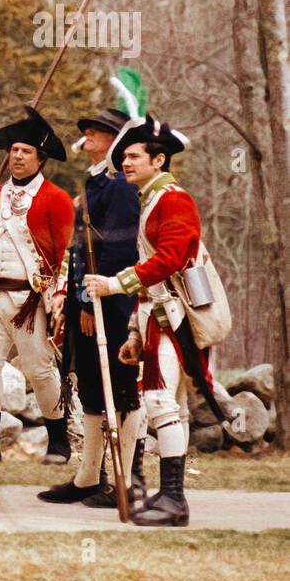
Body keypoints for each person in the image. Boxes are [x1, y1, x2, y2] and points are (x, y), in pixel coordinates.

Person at [86, 115, 218, 527]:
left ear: (158, 160)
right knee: (163, 405)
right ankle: (170, 495)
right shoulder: (151, 198)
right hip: (154, 315)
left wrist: (113, 284)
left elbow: (170, 261)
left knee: (162, 404)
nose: (124, 163)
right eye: (123, 157)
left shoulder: (173, 199)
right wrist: (132, 331)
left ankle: (175, 499)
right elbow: (153, 270)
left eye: (134, 156)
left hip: (174, 316)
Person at [40, 109, 147, 506]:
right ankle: (89, 476)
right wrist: (72, 300)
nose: (86, 138)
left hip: (111, 302)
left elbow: (117, 249)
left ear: (114, 141)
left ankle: (128, 479)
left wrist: (90, 300)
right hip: (86, 296)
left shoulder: (119, 186)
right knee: (90, 387)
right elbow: (81, 249)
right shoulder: (97, 181)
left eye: (96, 133)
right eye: (85, 131)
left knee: (119, 388)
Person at [0, 107, 75, 463]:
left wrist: (60, 296)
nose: (18, 156)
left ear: (41, 159)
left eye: (26, 151)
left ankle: (58, 441)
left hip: (30, 301)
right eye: (14, 150)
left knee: (40, 371)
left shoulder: (56, 199)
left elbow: (67, 252)